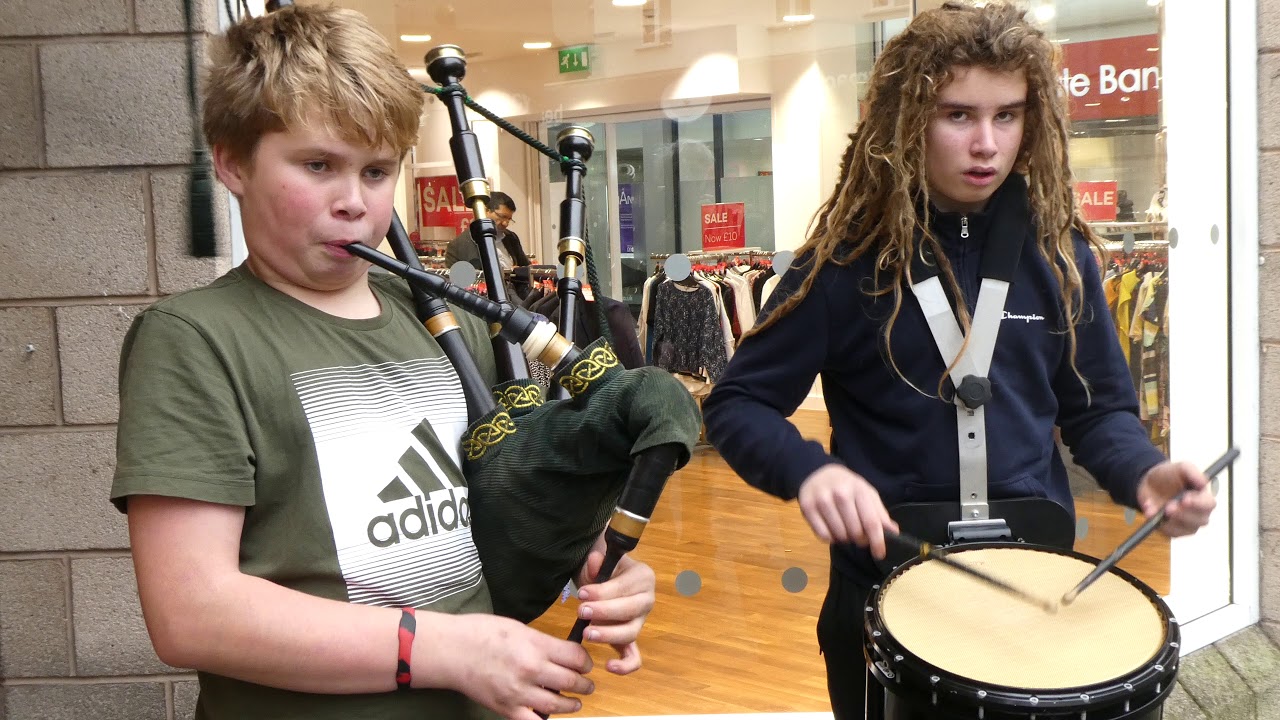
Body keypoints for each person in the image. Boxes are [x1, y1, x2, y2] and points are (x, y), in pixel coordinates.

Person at [110, 6, 655, 720]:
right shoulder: (193, 341)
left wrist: (590, 564)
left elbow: (491, 524)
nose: (354, 205)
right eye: (317, 166)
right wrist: (446, 650)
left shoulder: (446, 322)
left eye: (375, 172)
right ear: (232, 161)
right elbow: (192, 612)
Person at [700, 3, 1216, 718]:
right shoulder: (845, 264)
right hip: (883, 599)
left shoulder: (1060, 257)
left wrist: (1144, 472)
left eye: (1008, 116)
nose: (987, 144)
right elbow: (736, 403)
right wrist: (808, 470)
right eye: (958, 115)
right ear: (908, 120)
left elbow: (1097, 413)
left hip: (1036, 595)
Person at [446, 190, 532, 274]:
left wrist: (519, 272)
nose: (505, 223)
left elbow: (525, 267)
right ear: (486, 211)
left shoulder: (511, 237)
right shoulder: (458, 246)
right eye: (502, 216)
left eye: (509, 219)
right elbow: (459, 281)